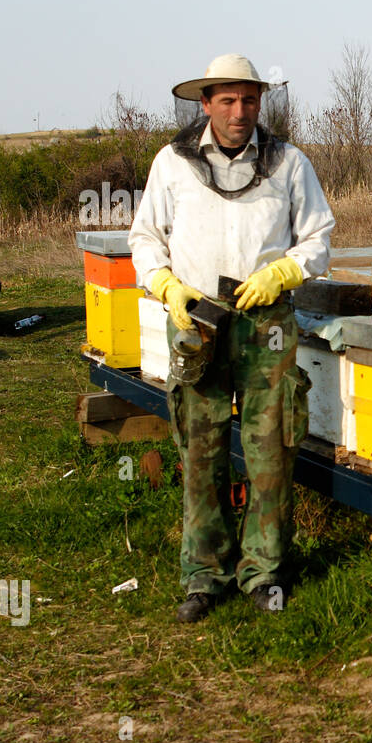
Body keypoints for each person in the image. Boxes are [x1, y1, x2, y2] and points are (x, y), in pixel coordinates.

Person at [129, 53, 334, 623]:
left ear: (260, 102)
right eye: (227, 100)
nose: (239, 111)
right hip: (195, 320)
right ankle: (204, 577)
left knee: (271, 451)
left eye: (248, 99)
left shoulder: (289, 162)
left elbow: (318, 237)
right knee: (202, 449)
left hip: (266, 323)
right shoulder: (171, 164)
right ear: (206, 104)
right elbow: (144, 237)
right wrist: (165, 285)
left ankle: (265, 574)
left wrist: (287, 270)